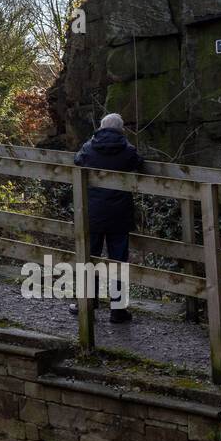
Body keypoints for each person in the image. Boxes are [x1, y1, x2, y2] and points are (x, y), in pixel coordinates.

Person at [70, 112, 141, 323]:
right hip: (119, 216)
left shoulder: (89, 147)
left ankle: (87, 303)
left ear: (101, 127)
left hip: (93, 213)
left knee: (89, 258)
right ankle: (118, 310)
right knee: (118, 261)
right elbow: (139, 163)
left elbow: (77, 161)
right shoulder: (127, 150)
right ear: (121, 130)